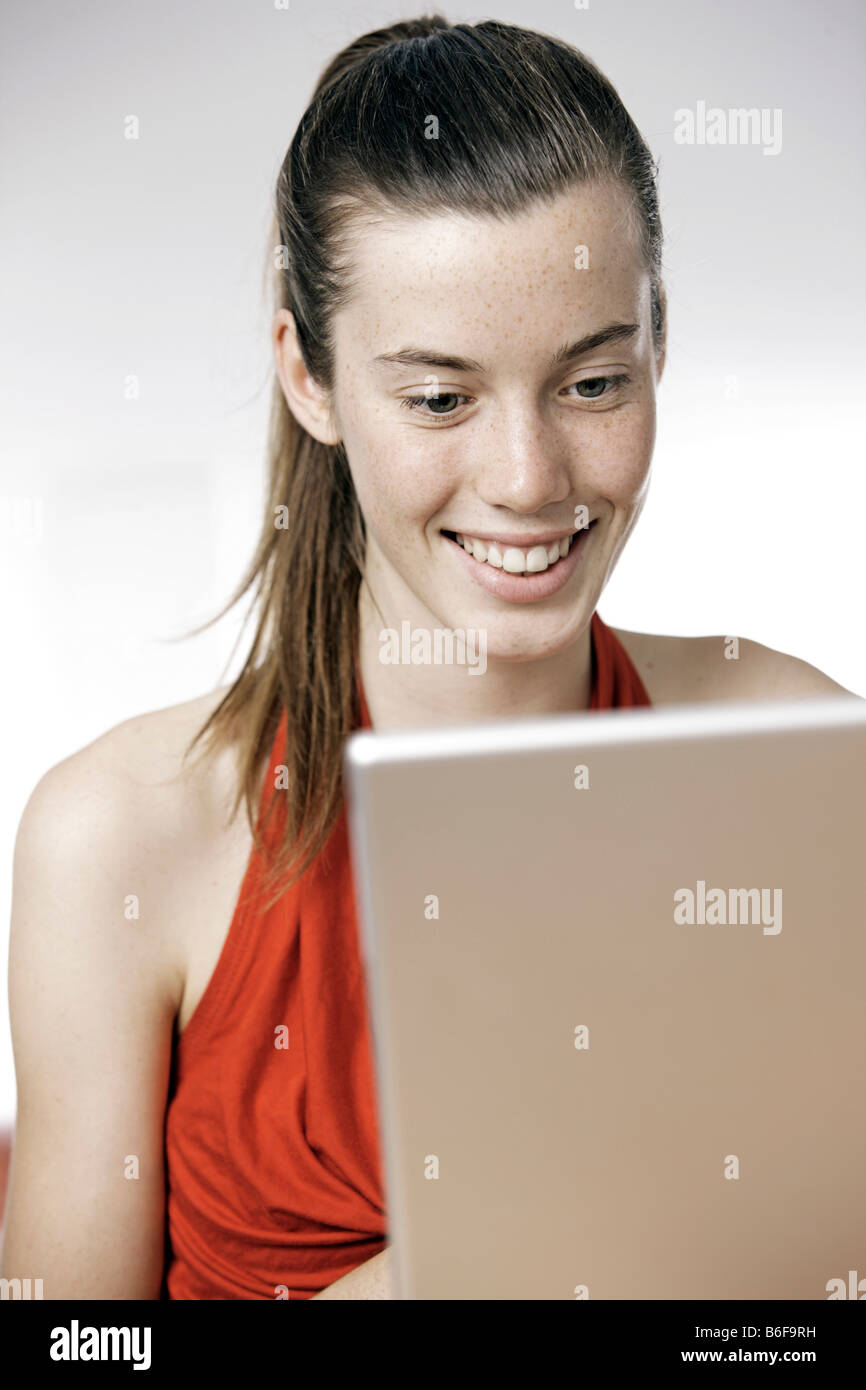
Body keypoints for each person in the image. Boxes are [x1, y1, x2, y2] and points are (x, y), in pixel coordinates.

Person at [0, 14, 853, 1302]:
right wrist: (448, 1276)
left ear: (659, 341)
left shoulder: (800, 759)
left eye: (594, 382)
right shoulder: (117, 841)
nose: (527, 480)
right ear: (311, 377)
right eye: (441, 398)